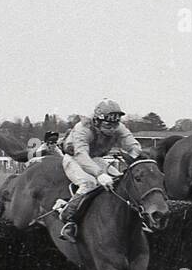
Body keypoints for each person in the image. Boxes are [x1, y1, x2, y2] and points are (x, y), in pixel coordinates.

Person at [56, 99, 142, 243]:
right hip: (74, 158)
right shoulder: (83, 129)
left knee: (120, 179)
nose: (113, 129)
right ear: (97, 121)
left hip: (95, 158)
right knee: (89, 183)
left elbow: (134, 146)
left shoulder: (119, 128)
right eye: (108, 124)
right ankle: (69, 219)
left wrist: (132, 157)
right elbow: (81, 155)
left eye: (115, 124)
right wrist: (99, 174)